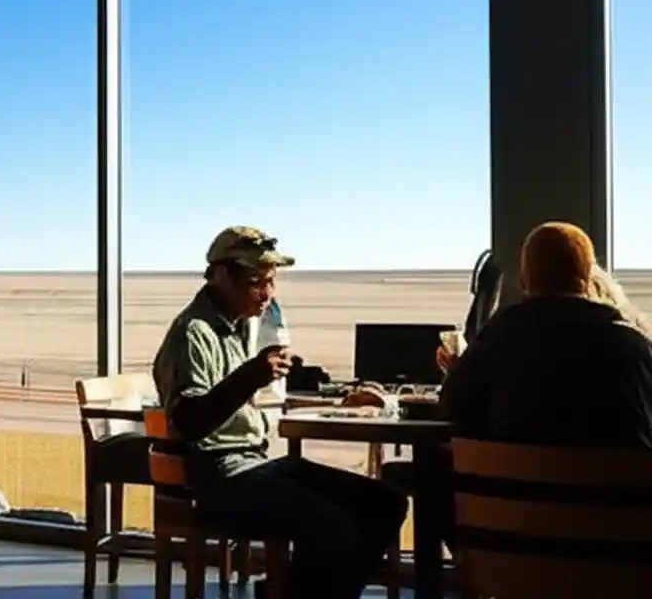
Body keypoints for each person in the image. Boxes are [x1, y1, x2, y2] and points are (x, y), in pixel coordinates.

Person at [152, 226, 406, 599]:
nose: (268, 294)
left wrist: (326, 386)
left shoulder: (236, 327)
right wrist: (251, 376)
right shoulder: (195, 333)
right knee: (331, 525)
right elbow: (188, 422)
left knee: (386, 503)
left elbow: (251, 378)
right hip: (218, 474)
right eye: (257, 282)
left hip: (252, 463)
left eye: (271, 281)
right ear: (222, 276)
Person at [442, 222, 652, 447]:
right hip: (616, 481)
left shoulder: (499, 336)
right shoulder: (634, 346)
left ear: (525, 280)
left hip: (510, 481)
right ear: (588, 278)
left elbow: (452, 406)